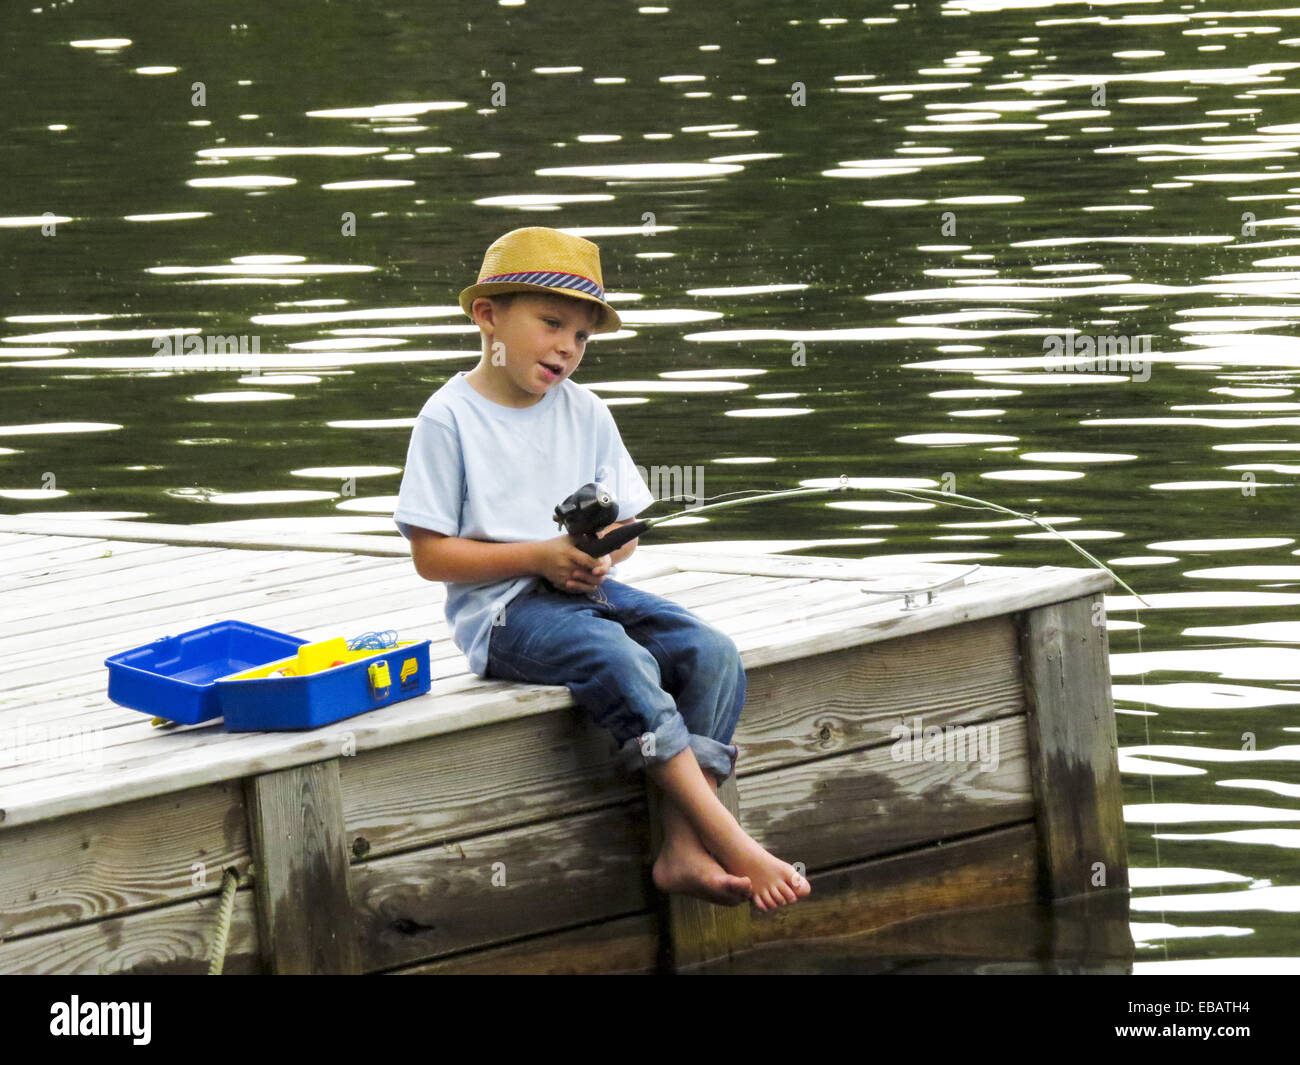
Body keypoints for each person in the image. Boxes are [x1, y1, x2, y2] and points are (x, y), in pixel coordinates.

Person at [392, 227, 809, 912]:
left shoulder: (586, 413)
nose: (566, 347)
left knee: (712, 652)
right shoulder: (449, 419)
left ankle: (681, 844)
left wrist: (602, 553)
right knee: (619, 657)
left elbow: (624, 534)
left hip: (586, 592)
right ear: (488, 316)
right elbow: (430, 554)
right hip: (505, 616)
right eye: (551, 323)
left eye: (582, 336)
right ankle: (729, 835)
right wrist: (539, 558)